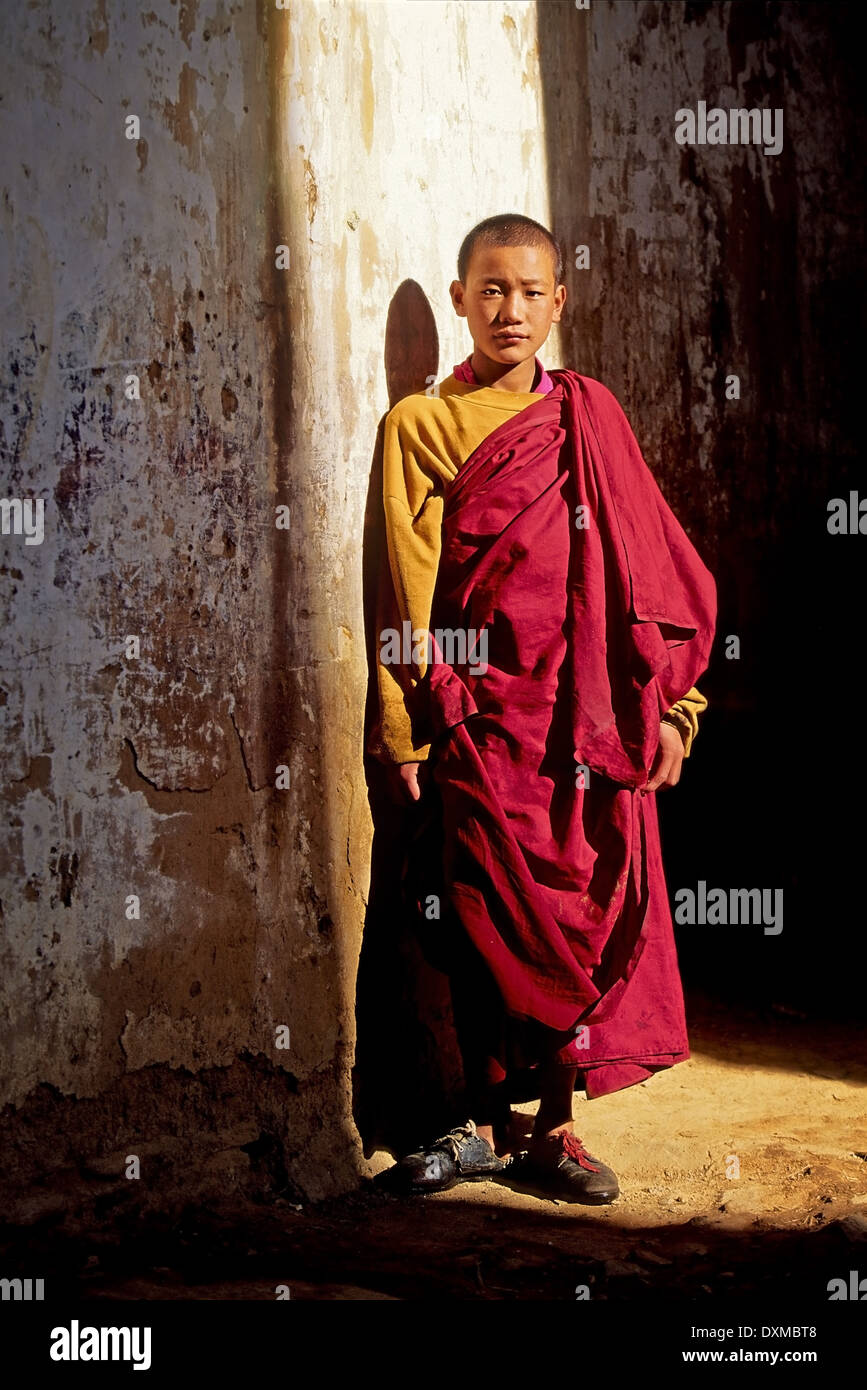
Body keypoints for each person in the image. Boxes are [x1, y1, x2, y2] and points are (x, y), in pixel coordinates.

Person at [366, 213, 716, 1204]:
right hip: (482, 718)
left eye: (528, 291)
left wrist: (678, 712)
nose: (509, 309)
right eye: (489, 289)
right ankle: (478, 1122)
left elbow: (657, 572)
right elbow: (402, 589)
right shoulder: (421, 427)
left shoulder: (590, 416)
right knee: (475, 911)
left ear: (560, 302)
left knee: (578, 911)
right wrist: (405, 728)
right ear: (458, 300)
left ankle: (558, 1129)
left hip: (587, 722)